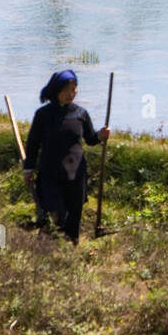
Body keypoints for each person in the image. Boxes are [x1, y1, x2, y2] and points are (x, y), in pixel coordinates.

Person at [22, 69, 110, 244]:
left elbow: (90, 139)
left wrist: (101, 136)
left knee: (75, 213)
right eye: (66, 90)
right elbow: (33, 143)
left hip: (76, 173)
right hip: (51, 173)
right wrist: (28, 168)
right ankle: (49, 242)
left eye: (74, 89)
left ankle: (72, 247)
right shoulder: (43, 115)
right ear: (56, 91)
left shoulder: (80, 114)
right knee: (57, 212)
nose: (71, 94)